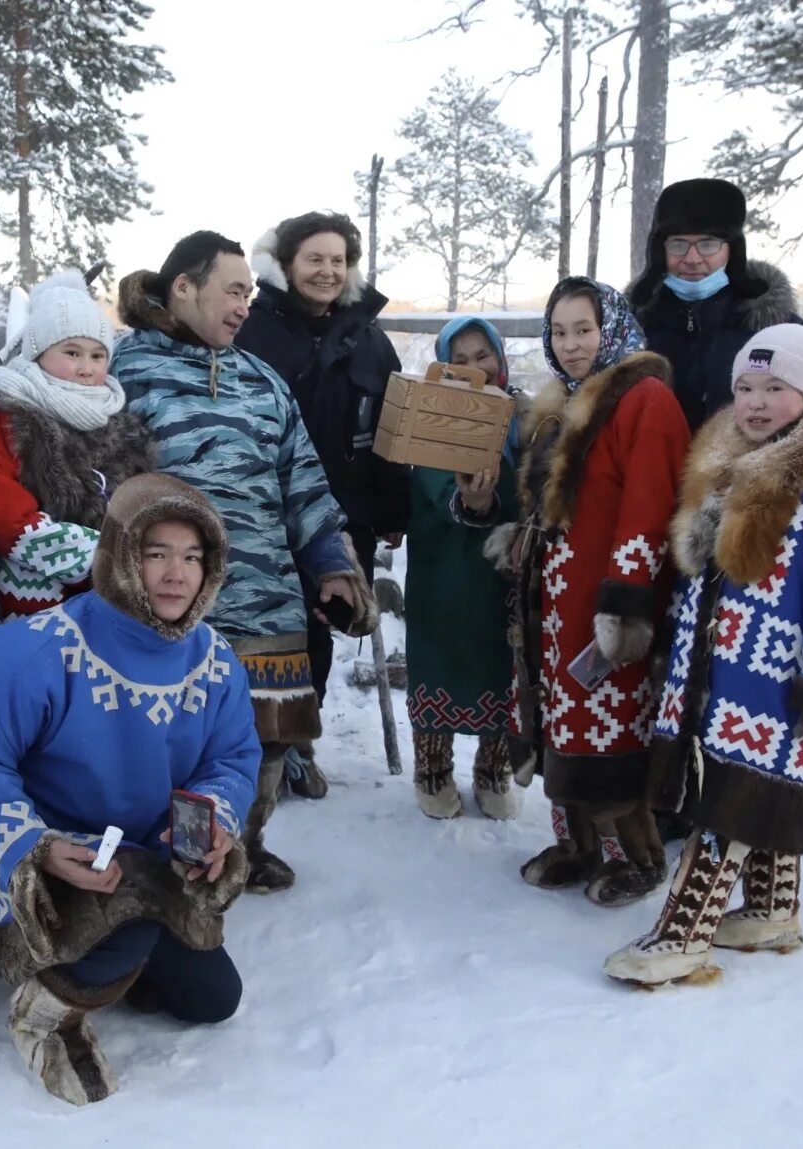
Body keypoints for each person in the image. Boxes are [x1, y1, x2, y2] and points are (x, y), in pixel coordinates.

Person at [0, 474, 261, 1106]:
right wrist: (35, 845)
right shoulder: (36, 648)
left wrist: (215, 819)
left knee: (213, 1000)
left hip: (153, 864)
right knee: (126, 923)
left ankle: (113, 958)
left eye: (193, 557)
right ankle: (43, 1012)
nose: (176, 573)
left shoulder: (216, 660)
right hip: (53, 856)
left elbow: (233, 759)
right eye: (156, 552)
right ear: (120, 556)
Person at [604, 326, 803, 985]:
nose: (756, 402)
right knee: (751, 790)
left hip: (781, 680)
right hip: (729, 673)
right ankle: (771, 908)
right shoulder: (740, 462)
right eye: (744, 387)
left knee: (726, 800)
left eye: (775, 388)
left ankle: (681, 935)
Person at [112, 231, 377, 893]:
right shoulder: (125, 373)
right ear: (183, 287)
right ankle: (176, 860)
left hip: (266, 600)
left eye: (248, 293)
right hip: (167, 607)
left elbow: (302, 481)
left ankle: (241, 845)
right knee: (176, 748)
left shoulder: (260, 378)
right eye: (232, 290)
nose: (243, 305)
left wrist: (332, 564)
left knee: (263, 743)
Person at [498, 277, 691, 907]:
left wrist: (628, 600)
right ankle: (577, 844)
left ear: (611, 328)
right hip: (556, 605)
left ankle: (637, 856)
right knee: (563, 723)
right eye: (559, 332)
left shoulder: (644, 399)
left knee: (607, 727)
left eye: (584, 329)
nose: (572, 343)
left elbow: (649, 506)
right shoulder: (562, 403)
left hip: (607, 604)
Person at [235, 211, 410, 799]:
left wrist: (391, 513)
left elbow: (389, 432)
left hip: (344, 511)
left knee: (322, 625)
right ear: (286, 264)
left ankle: (297, 744)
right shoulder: (249, 332)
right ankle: (247, 748)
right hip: (262, 512)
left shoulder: (370, 339)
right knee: (263, 628)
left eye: (338, 260)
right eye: (314, 258)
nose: (327, 271)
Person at [0, 270, 154, 617]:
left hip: (111, 605)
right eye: (72, 352)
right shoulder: (3, 417)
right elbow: (2, 518)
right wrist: (109, 553)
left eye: (97, 355)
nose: (87, 368)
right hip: (25, 607)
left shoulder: (121, 424)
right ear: (39, 353)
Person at [404, 318, 522, 820]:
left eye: (483, 356)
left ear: (499, 357)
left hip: (506, 570)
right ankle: (432, 769)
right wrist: (472, 501)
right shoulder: (434, 412)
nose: (474, 368)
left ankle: (492, 769)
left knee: (503, 662)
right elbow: (438, 486)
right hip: (445, 565)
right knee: (440, 656)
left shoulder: (526, 412)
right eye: (460, 359)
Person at [627, 178, 803, 432]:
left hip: (747, 470)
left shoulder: (780, 331)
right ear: (659, 250)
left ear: (732, 250)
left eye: (708, 244)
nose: (692, 258)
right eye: (678, 244)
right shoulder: (629, 333)